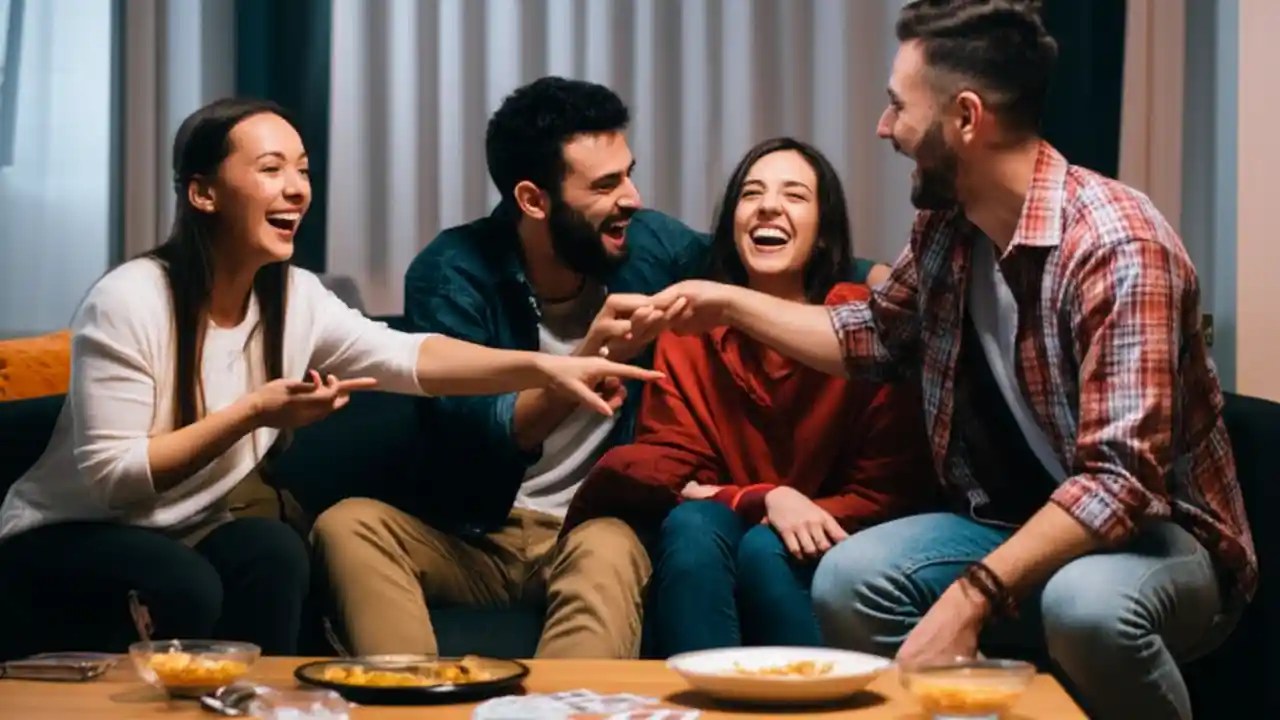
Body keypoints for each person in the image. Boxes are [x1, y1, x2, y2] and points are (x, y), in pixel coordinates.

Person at [632, 2, 1255, 718]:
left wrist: (972, 595)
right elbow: (869, 336)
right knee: (851, 578)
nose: (883, 126)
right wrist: (727, 303)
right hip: (1006, 520)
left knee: (1087, 608)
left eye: (899, 105)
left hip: (1159, 536)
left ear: (965, 117)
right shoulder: (947, 225)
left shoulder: (1118, 246)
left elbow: (1119, 487)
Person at [0, 97, 661, 659]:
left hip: (187, 527)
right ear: (203, 192)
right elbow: (117, 479)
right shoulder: (130, 299)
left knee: (273, 552)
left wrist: (545, 365)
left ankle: (260, 706)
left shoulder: (294, 298)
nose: (297, 188)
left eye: (303, 171)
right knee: (189, 584)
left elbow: (411, 359)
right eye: (271, 170)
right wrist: (256, 411)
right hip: (68, 532)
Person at [310, 77, 890, 659]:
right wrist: (580, 366)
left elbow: (759, 258)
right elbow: (474, 431)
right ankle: (413, 698)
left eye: (628, 173)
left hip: (591, 525)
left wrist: (885, 285)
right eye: (608, 184)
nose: (632, 198)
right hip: (471, 532)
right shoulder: (451, 273)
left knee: (612, 548)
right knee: (346, 525)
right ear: (534, 200)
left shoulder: (649, 247)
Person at [560, 137, 938, 656]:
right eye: (751, 193)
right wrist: (766, 498)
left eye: (796, 195)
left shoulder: (860, 326)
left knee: (766, 545)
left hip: (843, 532)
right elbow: (675, 473)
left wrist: (791, 512)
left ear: (824, 234)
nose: (767, 205)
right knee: (693, 524)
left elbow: (889, 490)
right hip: (722, 525)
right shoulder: (688, 331)